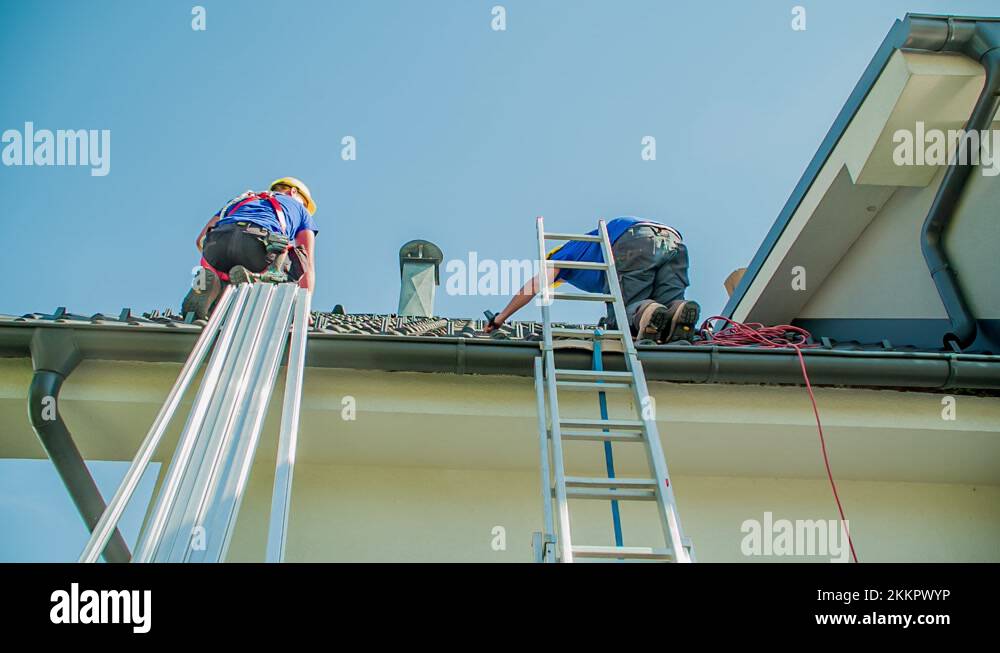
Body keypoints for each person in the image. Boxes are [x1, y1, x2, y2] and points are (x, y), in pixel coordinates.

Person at [484, 216, 700, 343]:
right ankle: (680, 312)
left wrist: (501, 317)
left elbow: (533, 286)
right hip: (672, 239)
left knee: (624, 316)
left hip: (634, 240)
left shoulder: (562, 257)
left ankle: (647, 312)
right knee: (671, 312)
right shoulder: (586, 253)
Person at [182, 177, 318, 319]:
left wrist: (219, 269)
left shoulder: (242, 199)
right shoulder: (301, 211)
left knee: (221, 278)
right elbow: (308, 264)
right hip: (257, 245)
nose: (303, 207)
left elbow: (201, 240)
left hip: (217, 243)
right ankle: (256, 280)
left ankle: (213, 285)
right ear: (293, 191)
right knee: (298, 257)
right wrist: (304, 307)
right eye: (304, 203)